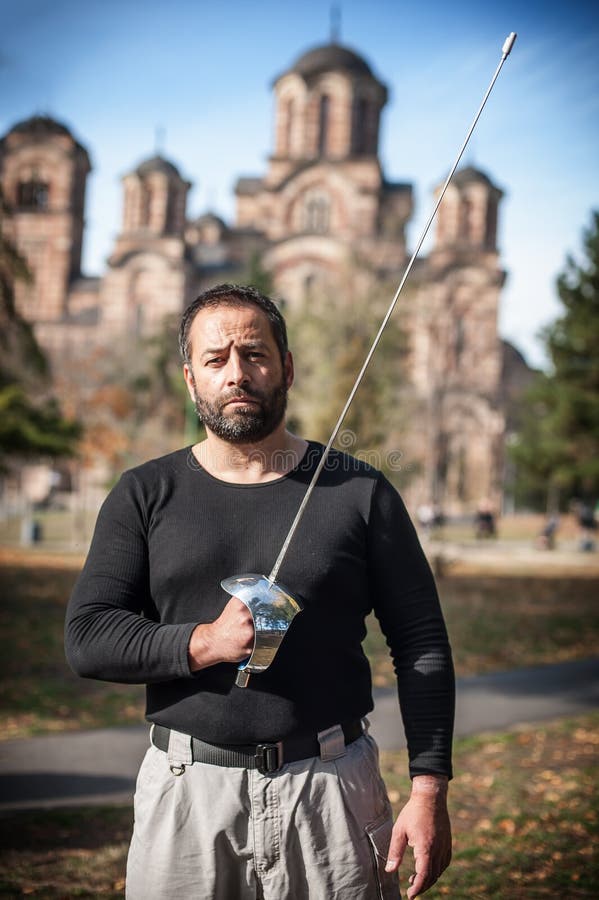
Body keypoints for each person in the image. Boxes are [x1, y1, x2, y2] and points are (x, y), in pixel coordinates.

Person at [65, 283, 455, 900]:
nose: (237, 374)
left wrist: (429, 788)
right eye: (215, 360)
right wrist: (205, 643)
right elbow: (88, 639)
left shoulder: (359, 491)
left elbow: (422, 645)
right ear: (190, 378)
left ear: (287, 368)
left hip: (331, 791)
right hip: (187, 795)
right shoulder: (144, 493)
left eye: (255, 354)